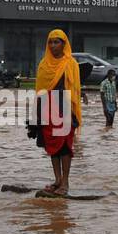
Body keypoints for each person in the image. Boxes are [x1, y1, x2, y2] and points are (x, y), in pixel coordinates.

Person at [34, 28, 81, 195]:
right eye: (50, 42)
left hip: (66, 107)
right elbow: (39, 90)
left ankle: (66, 183)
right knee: (52, 146)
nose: (53, 45)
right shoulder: (43, 64)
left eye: (57, 42)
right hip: (47, 107)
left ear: (63, 44)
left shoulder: (71, 63)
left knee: (65, 146)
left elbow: (75, 89)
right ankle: (57, 179)